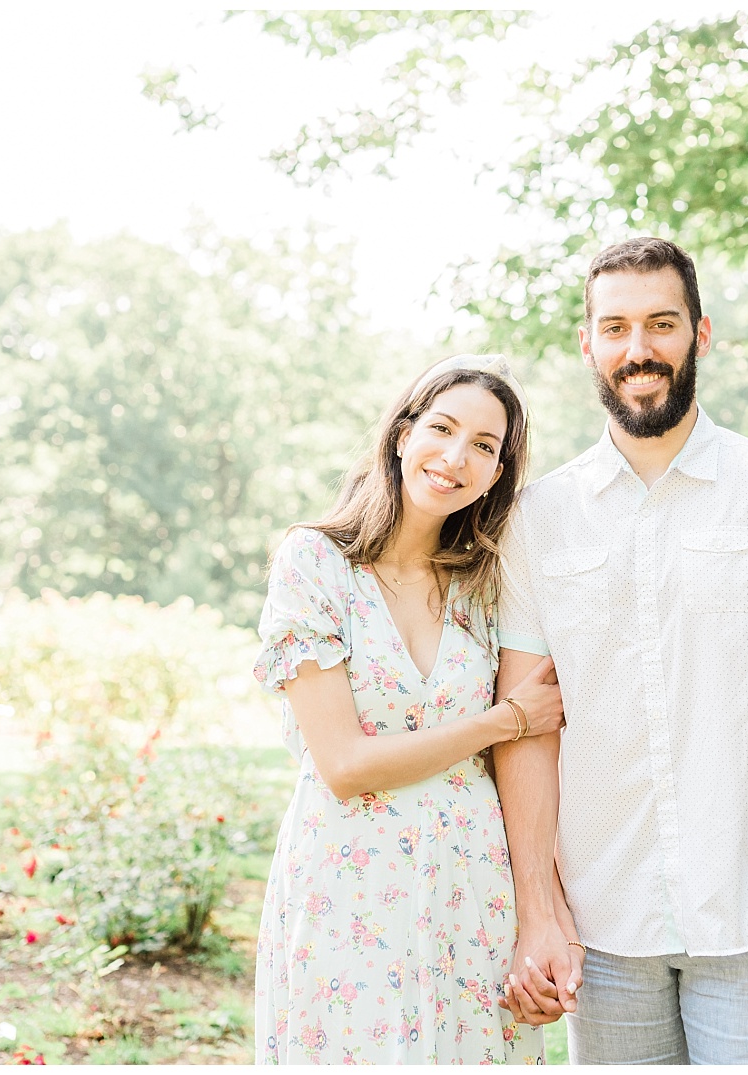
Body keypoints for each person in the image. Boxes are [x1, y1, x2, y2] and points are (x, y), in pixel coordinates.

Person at [491, 237, 748, 1064]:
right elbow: (526, 726)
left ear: (701, 334)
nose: (640, 350)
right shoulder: (536, 517)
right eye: (617, 327)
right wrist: (541, 906)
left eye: (662, 324)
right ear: (587, 342)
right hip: (603, 931)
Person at [251, 354, 562, 1064]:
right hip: (350, 889)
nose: (456, 457)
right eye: (443, 428)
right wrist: (505, 719)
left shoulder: (487, 585)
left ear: (499, 474)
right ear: (401, 434)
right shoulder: (315, 564)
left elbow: (529, 759)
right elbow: (345, 765)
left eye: (485, 447)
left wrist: (543, 916)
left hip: (472, 887)